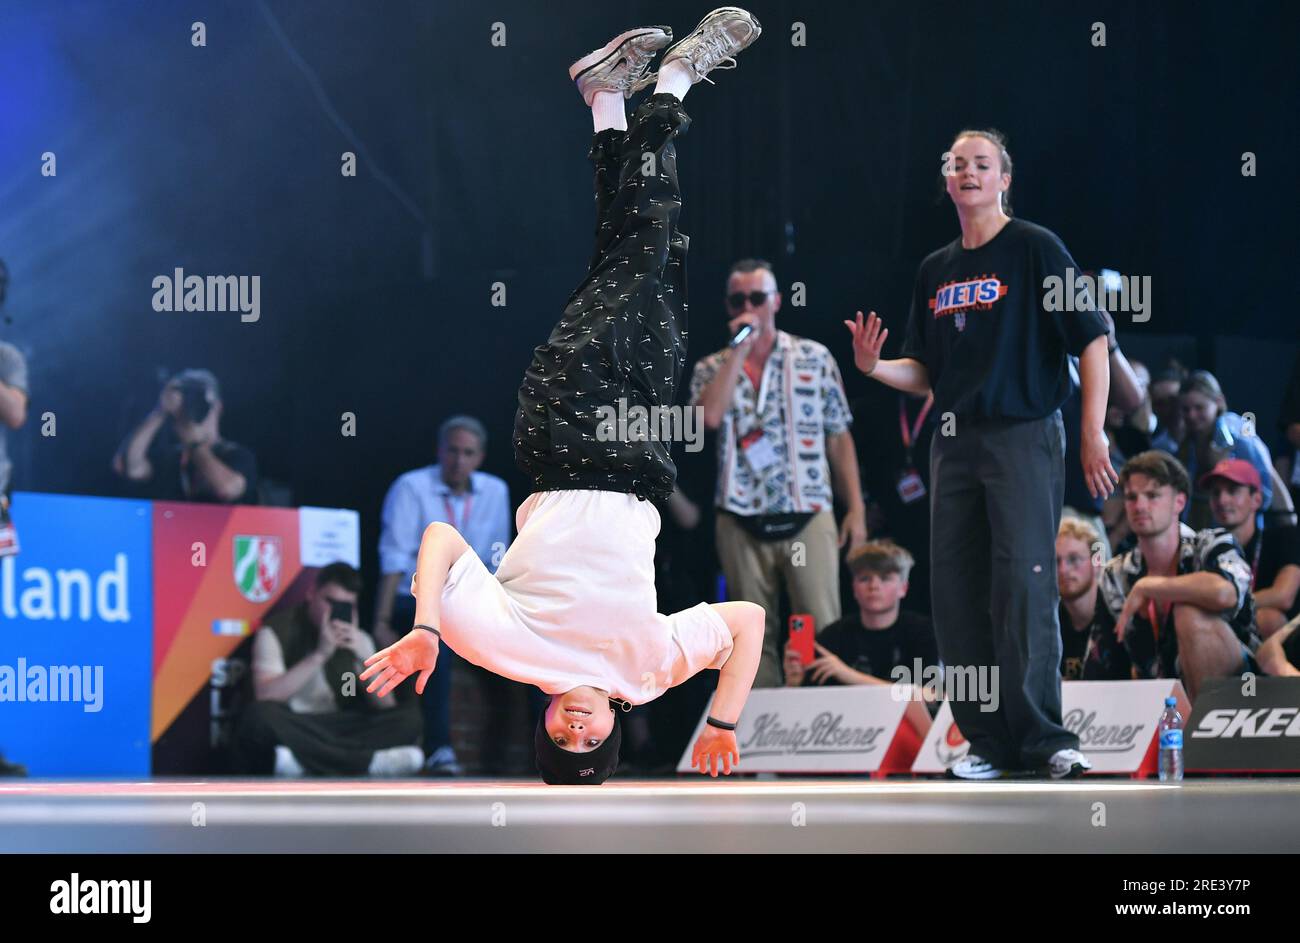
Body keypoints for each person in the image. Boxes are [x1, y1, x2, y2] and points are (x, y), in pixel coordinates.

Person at [359, 11, 766, 785]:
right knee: (644, 253)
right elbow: (746, 623)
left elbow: (443, 538)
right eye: (591, 742)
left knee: (647, 243)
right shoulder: (649, 671)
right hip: (645, 456)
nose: (576, 728)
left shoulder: (504, 648)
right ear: (616, 721)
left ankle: (673, 81)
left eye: (561, 739)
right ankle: (606, 99)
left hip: (569, 435)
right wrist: (720, 721)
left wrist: (427, 629)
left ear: (545, 724)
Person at [844, 128, 1115, 780]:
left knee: (1023, 587)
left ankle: (1046, 738)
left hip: (1023, 432)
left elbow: (1094, 340)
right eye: (957, 163)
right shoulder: (935, 269)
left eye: (981, 163)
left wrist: (1092, 430)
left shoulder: (1035, 248)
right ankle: (986, 741)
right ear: (946, 181)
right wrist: (877, 366)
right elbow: (925, 372)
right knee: (957, 594)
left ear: (1004, 178)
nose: (968, 172)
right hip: (953, 442)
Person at [689, 258, 863, 687]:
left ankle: (823, 724)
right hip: (740, 515)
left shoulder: (812, 357)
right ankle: (759, 733)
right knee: (751, 631)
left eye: (757, 298)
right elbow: (708, 418)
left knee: (818, 626)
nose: (748, 306)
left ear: (777, 301)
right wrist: (739, 352)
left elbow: (838, 437)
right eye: (737, 299)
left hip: (808, 509)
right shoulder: (712, 367)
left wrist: (855, 507)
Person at [374, 414, 512, 774]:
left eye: (468, 453)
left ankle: (531, 753)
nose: (459, 460)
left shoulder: (495, 491)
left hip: (475, 600)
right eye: (452, 451)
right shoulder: (411, 487)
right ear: (439, 451)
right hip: (415, 596)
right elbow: (394, 556)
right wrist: (382, 620)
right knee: (438, 639)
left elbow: (498, 557)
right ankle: (439, 749)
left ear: (480, 457)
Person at [1089, 452, 1259, 700]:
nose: (1140, 506)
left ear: (1179, 502)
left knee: (1188, 613)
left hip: (1242, 696)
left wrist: (1149, 586)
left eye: (1153, 495)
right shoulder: (1115, 574)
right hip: (1160, 708)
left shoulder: (1211, 544)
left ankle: (1206, 735)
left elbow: (1226, 592)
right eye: (1131, 497)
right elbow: (1101, 664)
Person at [232, 563, 424, 776]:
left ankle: (302, 762)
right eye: (330, 602)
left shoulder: (359, 640)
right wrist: (320, 655)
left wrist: (363, 660)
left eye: (346, 606)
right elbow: (266, 695)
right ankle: (367, 763)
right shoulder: (276, 630)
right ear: (312, 594)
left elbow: (386, 707)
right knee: (258, 718)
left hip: (341, 726)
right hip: (297, 724)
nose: (335, 612)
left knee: (409, 719)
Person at [783, 540, 938, 691]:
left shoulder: (923, 632)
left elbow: (932, 696)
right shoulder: (834, 635)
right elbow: (810, 699)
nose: (874, 586)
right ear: (854, 588)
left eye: (885, 578)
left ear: (903, 588)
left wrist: (850, 675)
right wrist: (795, 683)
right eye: (865, 578)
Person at [112, 368, 258, 504]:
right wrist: (160, 411)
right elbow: (130, 467)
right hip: (172, 529)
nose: (193, 406)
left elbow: (227, 488)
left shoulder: (236, 454)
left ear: (218, 406)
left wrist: (193, 442)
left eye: (201, 400)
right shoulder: (171, 457)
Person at [1156, 369, 1274, 530]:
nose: (1191, 415)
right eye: (1185, 409)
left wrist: (1226, 469)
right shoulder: (1186, 441)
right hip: (1198, 528)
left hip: (1240, 531)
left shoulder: (1239, 435)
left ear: (1218, 402)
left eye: (1199, 408)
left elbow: (1265, 492)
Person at [1203, 458, 1300, 637]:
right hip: (1227, 629)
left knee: (1268, 619)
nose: (1222, 500)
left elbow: (1283, 596)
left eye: (1233, 491)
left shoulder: (1284, 537)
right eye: (1216, 493)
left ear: (1256, 499)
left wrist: (1224, 600)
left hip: (1281, 640)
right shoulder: (1206, 547)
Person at [1055, 516, 1118, 679]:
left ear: (1097, 563)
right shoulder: (1048, 622)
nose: (1063, 570)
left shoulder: (1117, 615)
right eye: (1055, 561)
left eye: (1074, 559)